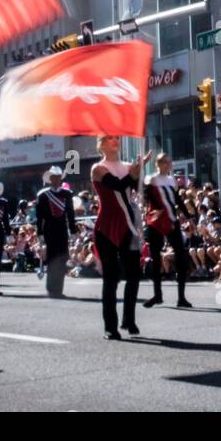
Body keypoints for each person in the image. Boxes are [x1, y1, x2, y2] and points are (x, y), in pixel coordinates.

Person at [92, 136, 149, 339]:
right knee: (111, 278)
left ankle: (129, 319)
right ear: (101, 146)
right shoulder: (97, 168)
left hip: (128, 227)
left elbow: (135, 189)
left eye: (115, 138)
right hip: (106, 227)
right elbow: (116, 186)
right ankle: (110, 326)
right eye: (108, 139)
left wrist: (139, 172)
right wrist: (134, 170)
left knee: (134, 275)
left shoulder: (127, 166)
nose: (114, 141)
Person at [142, 153, 191, 308]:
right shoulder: (151, 179)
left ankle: (181, 297)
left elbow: (177, 200)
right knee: (155, 259)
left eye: (169, 162)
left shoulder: (172, 181)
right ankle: (157, 295)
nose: (168, 165)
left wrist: (188, 216)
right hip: (156, 221)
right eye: (164, 162)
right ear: (158, 164)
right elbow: (146, 197)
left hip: (170, 220)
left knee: (181, 256)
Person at [36, 166, 78, 298]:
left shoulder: (67, 194)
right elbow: (40, 217)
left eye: (59, 177)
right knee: (51, 259)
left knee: (61, 259)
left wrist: (73, 230)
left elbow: (70, 214)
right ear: (50, 179)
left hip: (61, 230)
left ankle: (59, 290)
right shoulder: (43, 195)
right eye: (54, 177)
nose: (57, 179)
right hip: (49, 230)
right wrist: (40, 233)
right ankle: (51, 289)